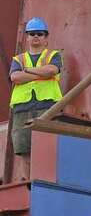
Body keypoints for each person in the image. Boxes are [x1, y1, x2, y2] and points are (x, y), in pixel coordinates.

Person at [8, 18, 63, 160]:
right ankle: (29, 177)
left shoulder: (53, 55)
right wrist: (41, 74)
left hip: (47, 107)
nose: (36, 36)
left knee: (48, 150)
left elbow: (51, 71)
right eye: (32, 34)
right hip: (22, 109)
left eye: (40, 33)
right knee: (24, 151)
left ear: (46, 37)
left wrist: (27, 71)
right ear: (27, 37)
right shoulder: (18, 59)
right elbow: (15, 77)